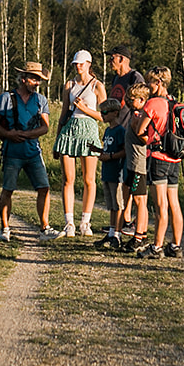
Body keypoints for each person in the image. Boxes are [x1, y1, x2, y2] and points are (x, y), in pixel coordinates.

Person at [0, 60, 53, 241]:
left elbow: (45, 127)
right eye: (34, 78)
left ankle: (44, 228)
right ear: (23, 78)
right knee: (8, 189)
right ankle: (5, 229)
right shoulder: (6, 98)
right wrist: (8, 134)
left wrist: (25, 134)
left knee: (44, 188)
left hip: (33, 152)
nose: (37, 83)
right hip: (12, 152)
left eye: (39, 79)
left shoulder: (41, 100)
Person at [51, 49, 105, 238]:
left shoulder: (97, 86)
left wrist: (84, 108)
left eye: (81, 63)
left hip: (89, 131)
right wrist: (57, 139)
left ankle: (85, 222)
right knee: (68, 179)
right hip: (70, 132)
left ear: (89, 64)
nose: (78, 66)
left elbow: (105, 115)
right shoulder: (70, 85)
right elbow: (64, 113)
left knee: (89, 179)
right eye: (76, 63)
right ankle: (69, 223)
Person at [134, 66, 184, 259]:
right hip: (175, 158)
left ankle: (156, 247)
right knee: (174, 203)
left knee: (160, 205)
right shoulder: (174, 102)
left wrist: (138, 123)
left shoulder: (153, 103)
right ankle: (176, 245)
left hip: (158, 158)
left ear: (158, 83)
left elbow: (140, 130)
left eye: (150, 82)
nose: (148, 86)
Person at [119, 82, 152, 251]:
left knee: (140, 201)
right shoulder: (135, 114)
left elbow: (145, 138)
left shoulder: (139, 116)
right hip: (132, 163)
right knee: (134, 197)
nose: (129, 102)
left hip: (139, 163)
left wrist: (138, 129)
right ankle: (139, 232)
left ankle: (140, 236)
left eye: (132, 99)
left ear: (141, 99)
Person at [92, 97, 127, 248]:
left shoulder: (120, 131)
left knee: (118, 205)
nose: (103, 115)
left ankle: (118, 234)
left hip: (116, 173)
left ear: (115, 113)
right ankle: (111, 232)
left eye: (105, 112)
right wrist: (98, 151)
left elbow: (124, 151)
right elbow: (108, 149)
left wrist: (110, 157)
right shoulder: (107, 130)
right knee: (111, 205)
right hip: (107, 172)